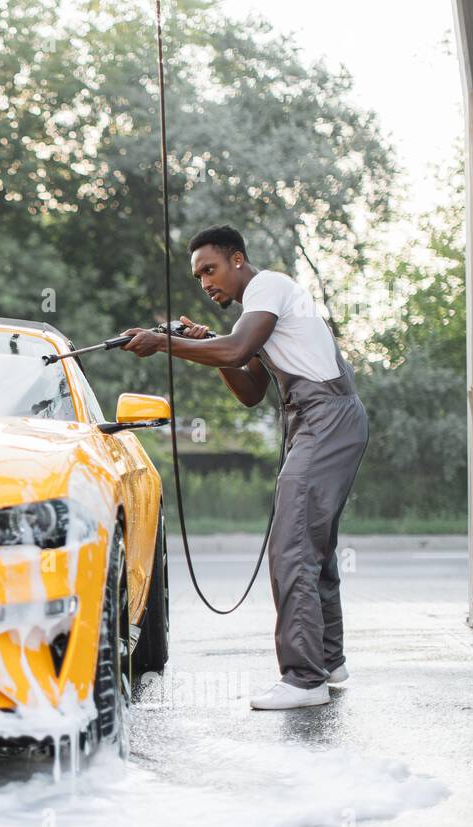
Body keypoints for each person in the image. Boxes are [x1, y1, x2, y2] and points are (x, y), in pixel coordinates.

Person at [118, 224, 369, 710]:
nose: (205, 283)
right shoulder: (258, 315)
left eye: (210, 269)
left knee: (291, 546)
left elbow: (235, 350)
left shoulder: (267, 286)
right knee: (312, 545)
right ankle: (329, 662)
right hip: (317, 419)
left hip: (324, 417)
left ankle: (303, 679)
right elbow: (251, 389)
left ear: (237, 260)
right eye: (197, 277)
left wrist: (165, 343)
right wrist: (206, 341)